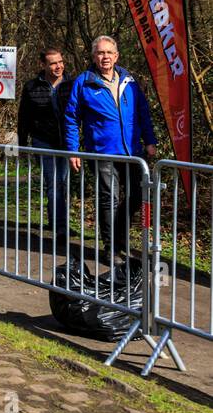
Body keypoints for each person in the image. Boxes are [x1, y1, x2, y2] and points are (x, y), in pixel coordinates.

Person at [63, 36, 157, 253]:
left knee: (137, 196)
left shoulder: (129, 81)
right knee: (108, 200)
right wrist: (73, 150)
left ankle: (120, 236)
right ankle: (112, 248)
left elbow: (143, 113)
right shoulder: (84, 81)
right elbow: (71, 118)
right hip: (102, 152)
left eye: (108, 53)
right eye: (100, 53)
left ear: (116, 56)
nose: (104, 57)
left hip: (132, 152)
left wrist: (150, 141)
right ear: (94, 56)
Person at [17, 48, 74, 236]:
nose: (59, 66)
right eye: (53, 63)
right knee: (53, 183)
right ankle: (60, 227)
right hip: (43, 141)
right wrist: (22, 143)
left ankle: (59, 221)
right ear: (43, 65)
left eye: (60, 62)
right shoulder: (32, 87)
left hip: (66, 141)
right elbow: (24, 116)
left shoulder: (72, 84)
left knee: (63, 183)